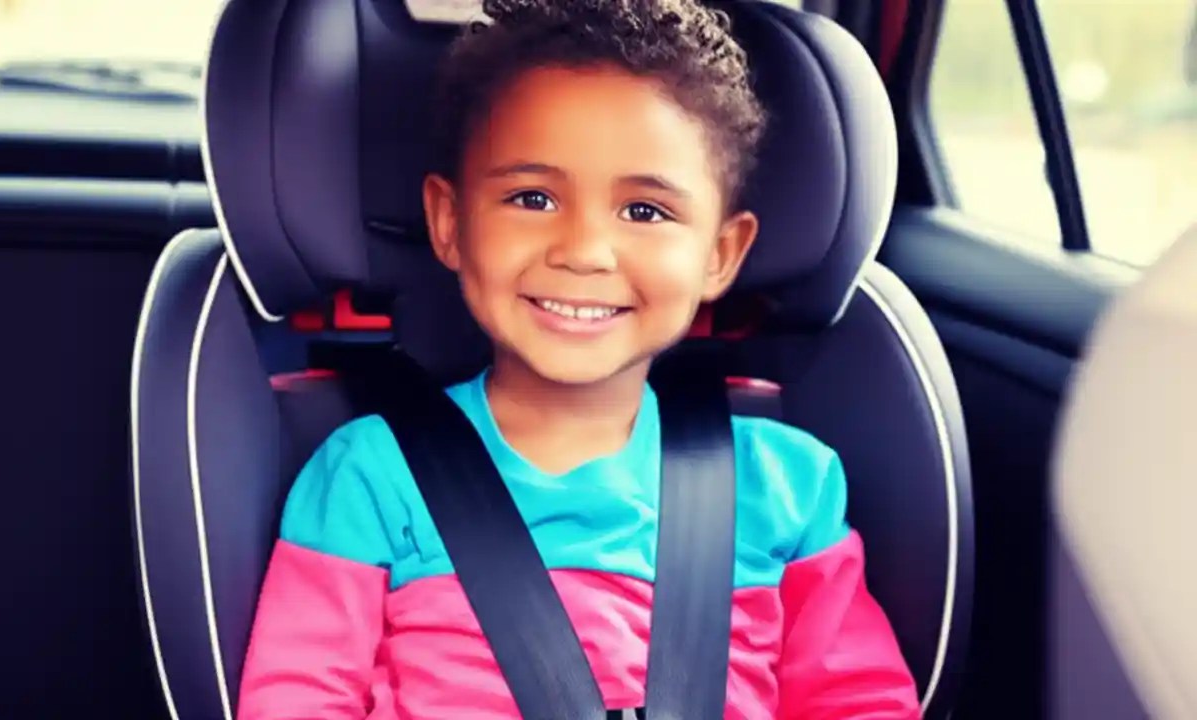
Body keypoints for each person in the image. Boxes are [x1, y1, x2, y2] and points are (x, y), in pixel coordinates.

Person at [237, 1, 920, 717]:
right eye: (532, 198)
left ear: (720, 254)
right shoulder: (371, 477)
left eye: (645, 211)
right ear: (449, 222)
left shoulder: (786, 488)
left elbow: (859, 702)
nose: (584, 252)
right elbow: (298, 701)